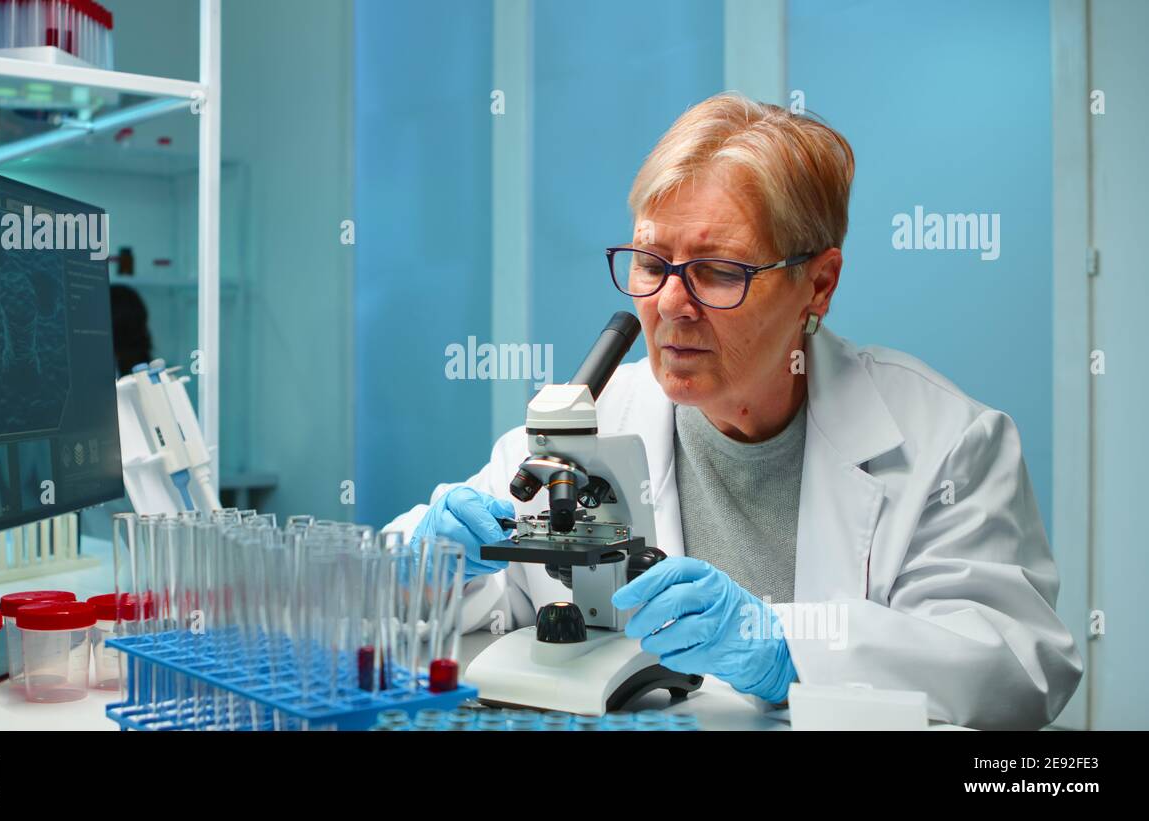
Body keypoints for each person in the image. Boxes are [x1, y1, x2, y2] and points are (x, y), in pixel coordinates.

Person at [385, 92, 1082, 730]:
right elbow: (414, 607)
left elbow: (1016, 667)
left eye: (718, 271)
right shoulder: (585, 423)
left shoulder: (947, 445)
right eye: (651, 263)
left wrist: (787, 649)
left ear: (820, 283)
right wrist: (427, 568)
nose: (670, 304)